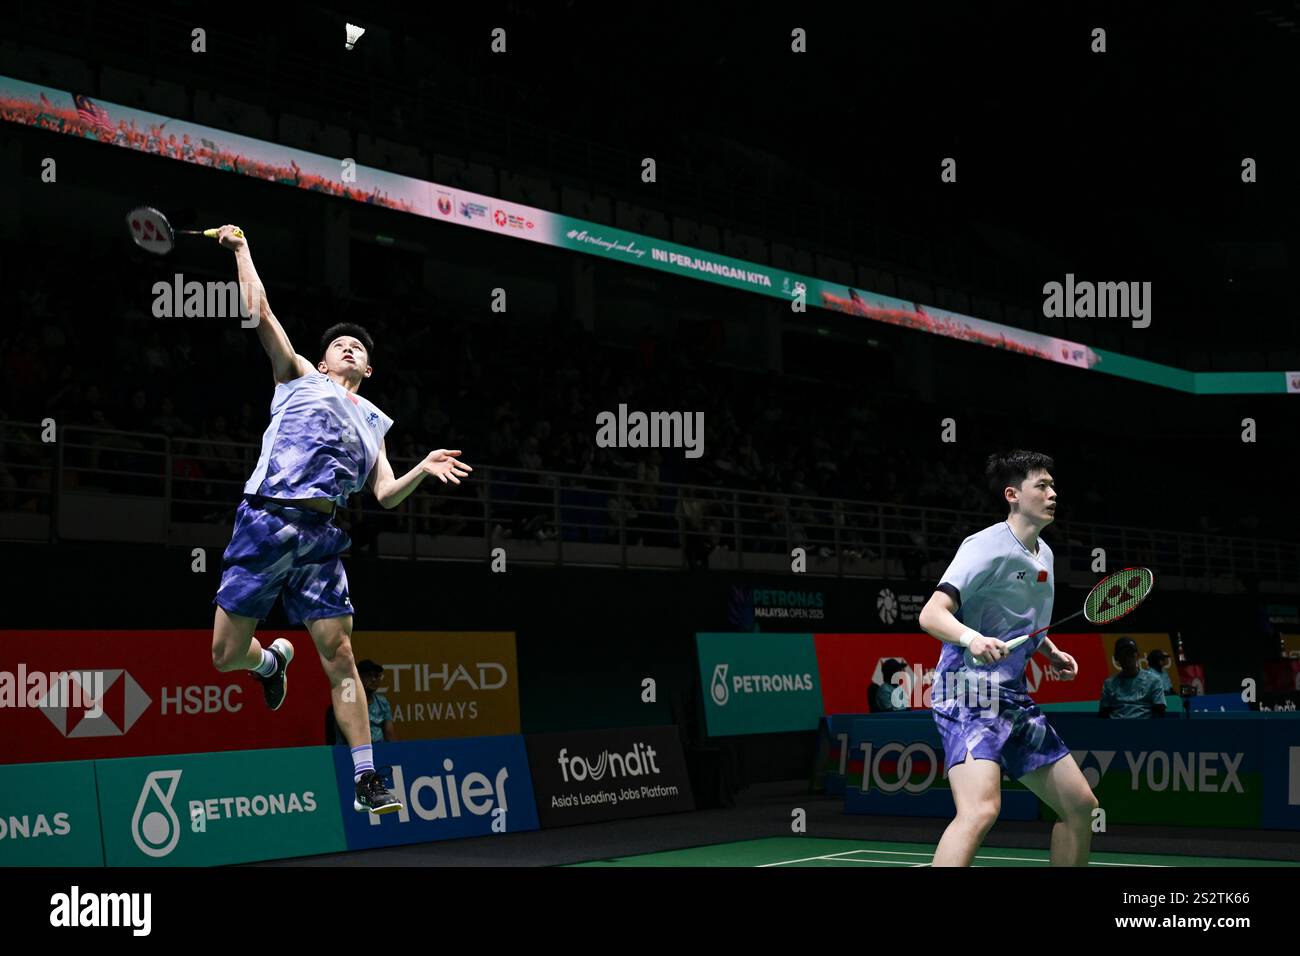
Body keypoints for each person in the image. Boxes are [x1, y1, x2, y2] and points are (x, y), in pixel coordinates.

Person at [207, 224, 472, 814]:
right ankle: (269, 660)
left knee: (341, 655)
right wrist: (244, 249)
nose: (350, 347)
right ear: (323, 360)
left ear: (369, 371)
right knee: (226, 655)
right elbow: (259, 312)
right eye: (340, 344)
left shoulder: (374, 421)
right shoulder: (298, 377)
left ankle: (366, 775)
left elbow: (384, 494)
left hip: (321, 539)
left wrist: (423, 468)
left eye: (360, 348)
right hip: (266, 520)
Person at [918, 450, 1099, 866]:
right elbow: (931, 613)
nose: (1053, 493)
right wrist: (971, 638)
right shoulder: (985, 546)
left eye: (1054, 485)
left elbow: (1026, 623)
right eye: (1043, 485)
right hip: (967, 693)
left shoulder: (1046, 555)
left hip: (1012, 698)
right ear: (1013, 494)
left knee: (1080, 806)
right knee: (980, 809)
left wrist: (1049, 652)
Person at [1100, 638, 1167, 718]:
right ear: (1116, 658)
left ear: (1137, 656)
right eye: (1124, 654)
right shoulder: (1109, 684)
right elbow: (1103, 714)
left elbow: (1159, 712)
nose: (1128, 657)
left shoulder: (1154, 680)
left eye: (1131, 653)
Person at [358, 659, 399, 743]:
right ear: (359, 678)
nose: (373, 679)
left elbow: (390, 735)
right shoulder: (349, 704)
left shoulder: (382, 702)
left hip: (381, 752)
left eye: (376, 676)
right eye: (369, 675)